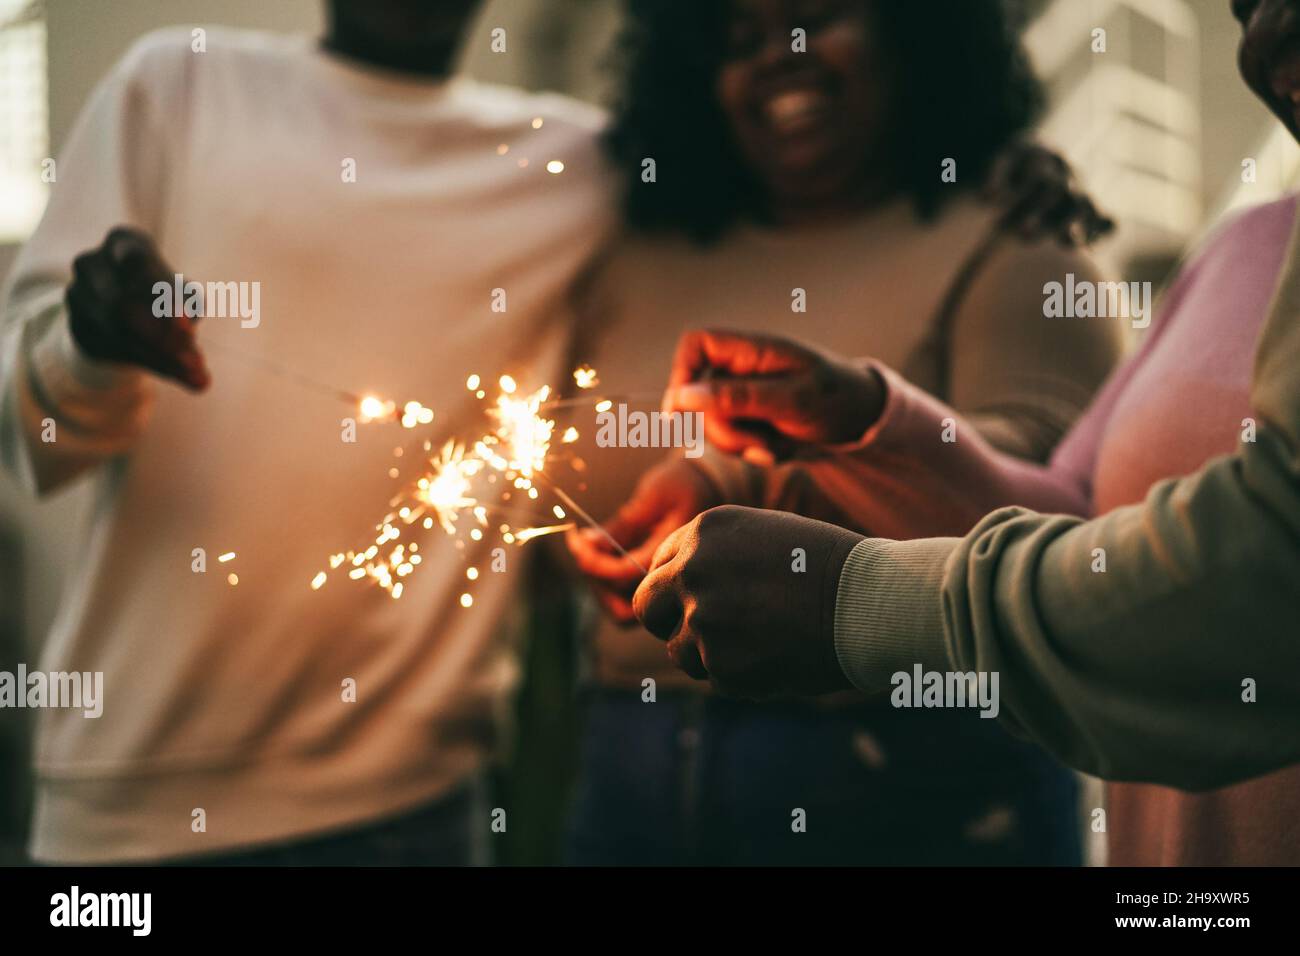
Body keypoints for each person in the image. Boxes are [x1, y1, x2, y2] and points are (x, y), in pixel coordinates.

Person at [632, 0, 1300, 866]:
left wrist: (857, 603)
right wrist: (865, 422)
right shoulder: (1242, 245)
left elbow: (1264, 579)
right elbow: (1081, 524)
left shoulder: (1016, 236)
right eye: (1242, 3)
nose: (1260, 32)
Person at [0, 0, 615, 864]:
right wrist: (88, 347)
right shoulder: (179, 85)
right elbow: (29, 441)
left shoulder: (579, 167)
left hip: (420, 803)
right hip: (139, 809)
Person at [561, 0, 1120, 865]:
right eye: (738, 39)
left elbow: (1043, 498)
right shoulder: (634, 242)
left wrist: (743, 482)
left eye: (815, 19)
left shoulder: (1018, 233)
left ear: (914, 33)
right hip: (628, 763)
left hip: (906, 771)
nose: (779, 59)